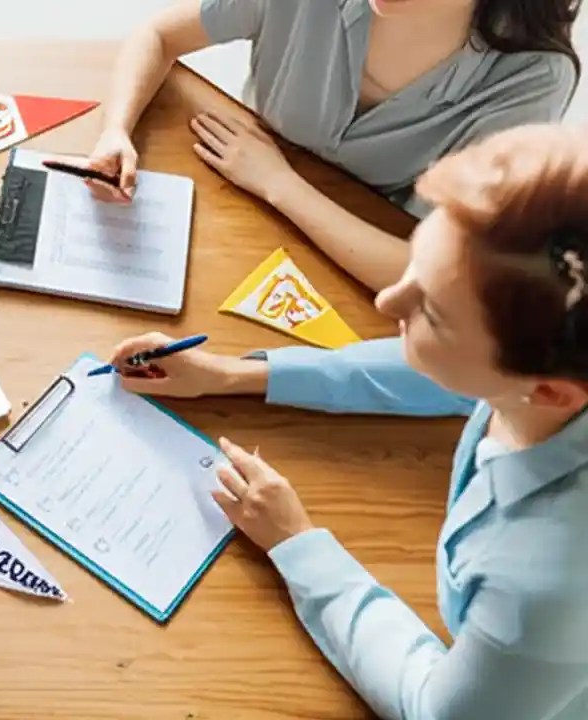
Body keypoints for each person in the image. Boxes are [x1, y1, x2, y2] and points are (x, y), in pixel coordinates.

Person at [110, 123, 588, 718]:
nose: (388, 302)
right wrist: (234, 375)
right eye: (417, 266)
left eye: (432, 313)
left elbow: (434, 708)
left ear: (548, 392)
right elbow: (455, 375)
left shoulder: (545, 584)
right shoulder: (545, 369)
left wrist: (298, 544)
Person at [74, 0, 579, 291]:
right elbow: (159, 37)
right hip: (233, 210)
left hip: (353, 267)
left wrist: (278, 183)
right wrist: (116, 129)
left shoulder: (531, 75)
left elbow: (429, 269)